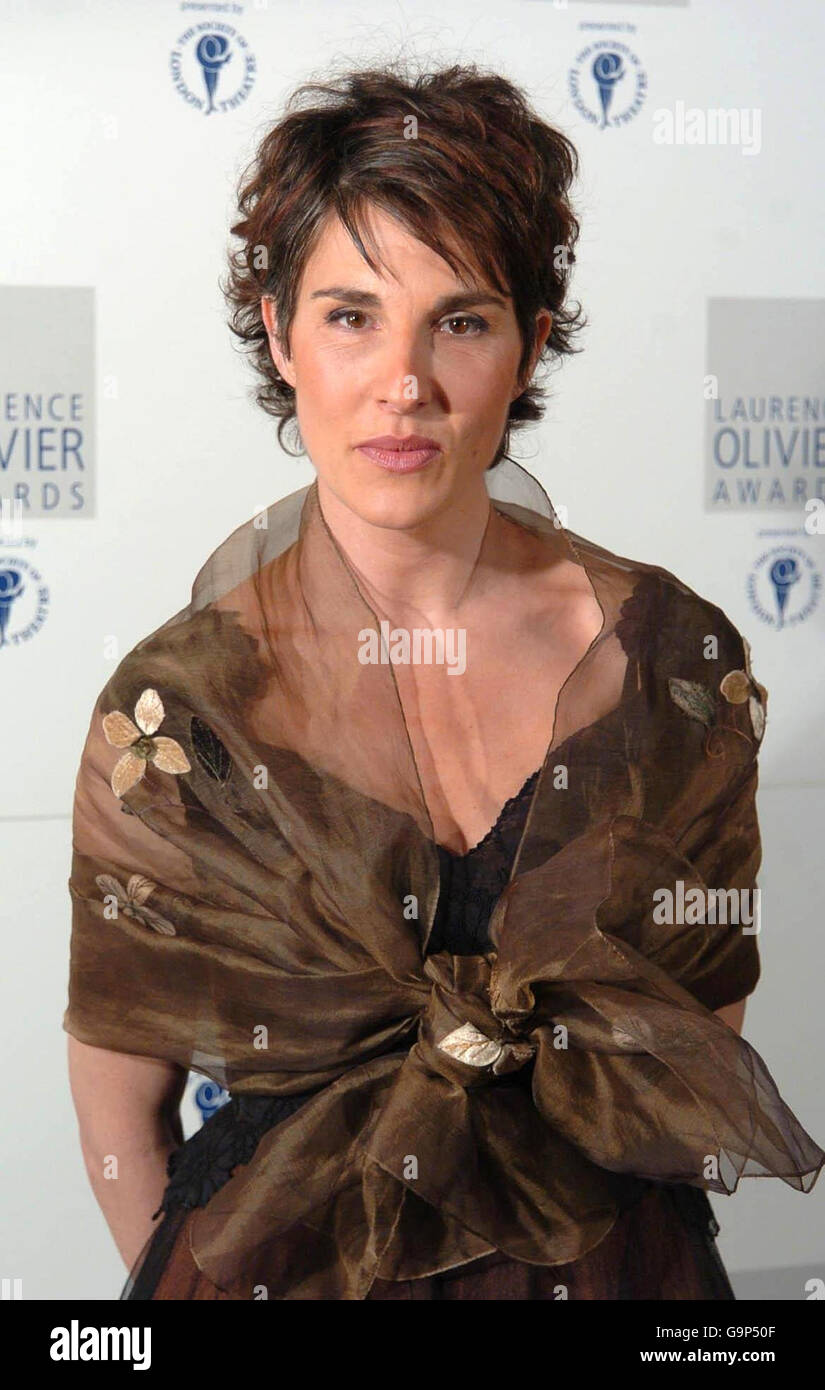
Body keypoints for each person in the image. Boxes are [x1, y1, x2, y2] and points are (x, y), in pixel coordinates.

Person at [65, 61, 823, 1301]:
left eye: (459, 319)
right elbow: (117, 1103)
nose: (403, 382)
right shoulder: (172, 715)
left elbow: (696, 1050)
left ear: (528, 345)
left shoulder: (675, 663)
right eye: (351, 314)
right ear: (279, 333)